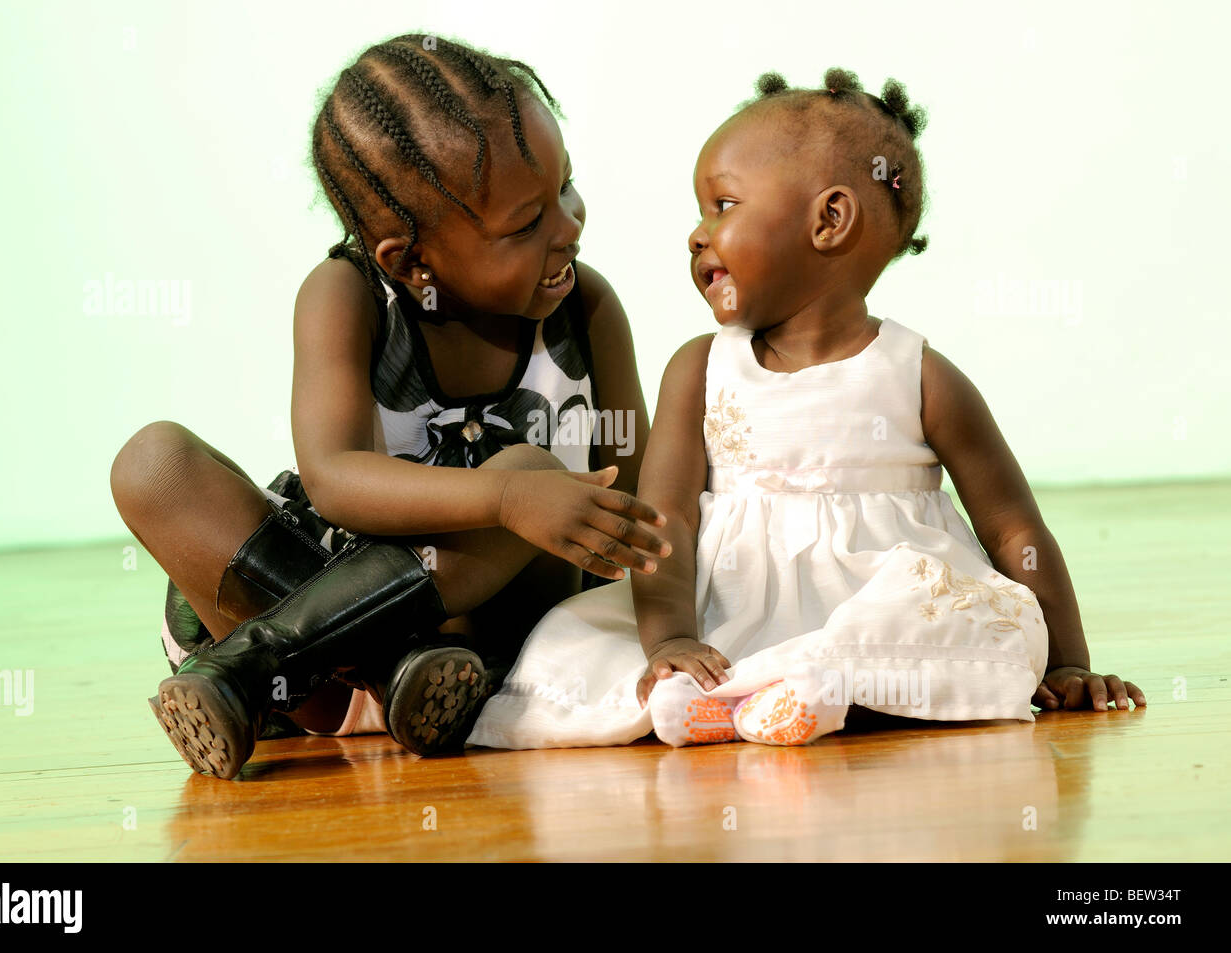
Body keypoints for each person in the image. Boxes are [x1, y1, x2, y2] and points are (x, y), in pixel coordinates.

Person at [469, 67, 1145, 751]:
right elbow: (663, 517)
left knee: (946, 619)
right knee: (578, 644)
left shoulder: (919, 376)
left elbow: (1012, 529)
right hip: (731, 611)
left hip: (875, 610)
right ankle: (733, 693)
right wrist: (670, 635)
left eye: (722, 206)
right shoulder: (700, 368)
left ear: (829, 220)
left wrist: (1067, 660)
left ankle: (810, 689)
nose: (697, 235)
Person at [109, 33, 670, 778]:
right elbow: (337, 477)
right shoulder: (346, 297)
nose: (570, 224)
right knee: (152, 462)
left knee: (537, 477)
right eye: (526, 223)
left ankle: (272, 671)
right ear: (408, 260)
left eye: (565, 187)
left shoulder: (588, 309)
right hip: (316, 653)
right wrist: (500, 492)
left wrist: (547, 515)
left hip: (484, 648)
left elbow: (627, 497)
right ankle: (370, 665)